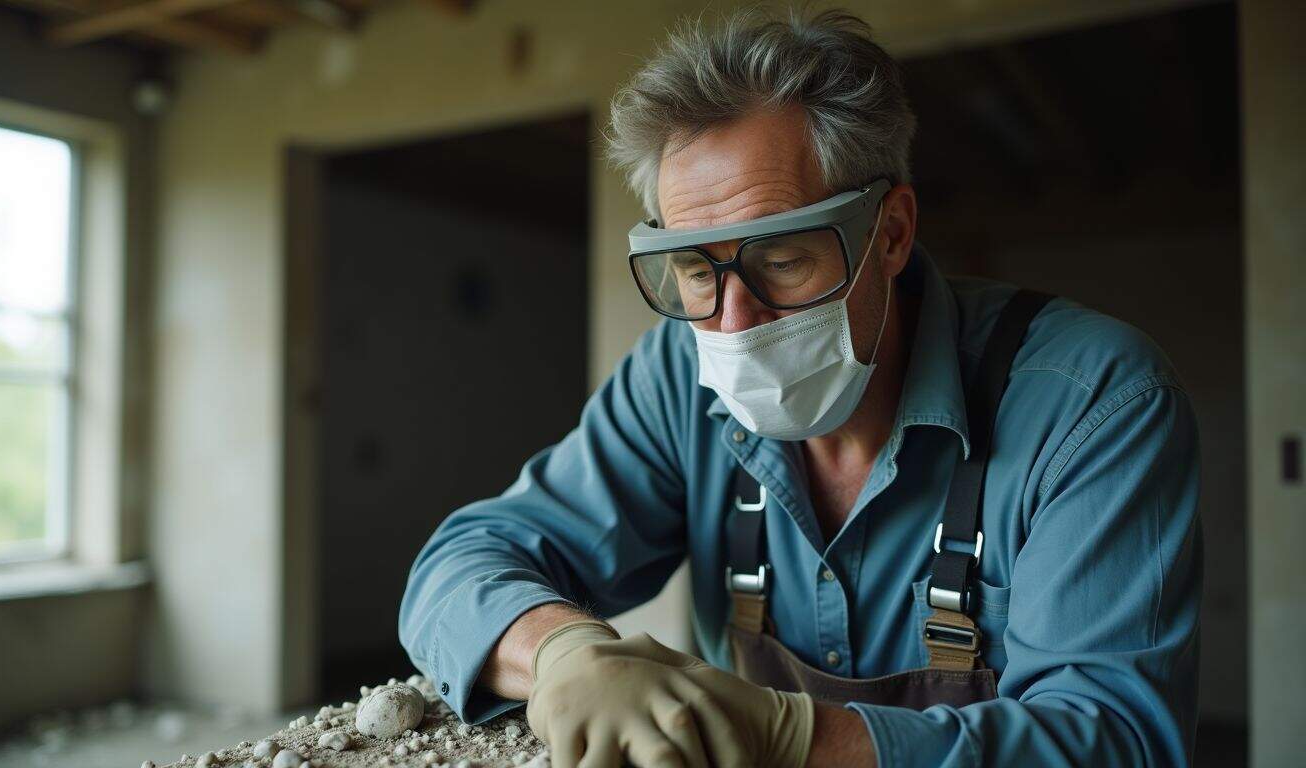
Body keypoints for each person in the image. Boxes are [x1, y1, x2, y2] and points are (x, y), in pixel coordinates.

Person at [400, 8, 1201, 767]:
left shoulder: (1094, 400)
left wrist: (790, 740)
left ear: (889, 233)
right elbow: (462, 563)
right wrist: (558, 649)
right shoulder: (679, 377)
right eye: (693, 272)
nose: (735, 321)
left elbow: (1113, 738)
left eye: (782, 262)